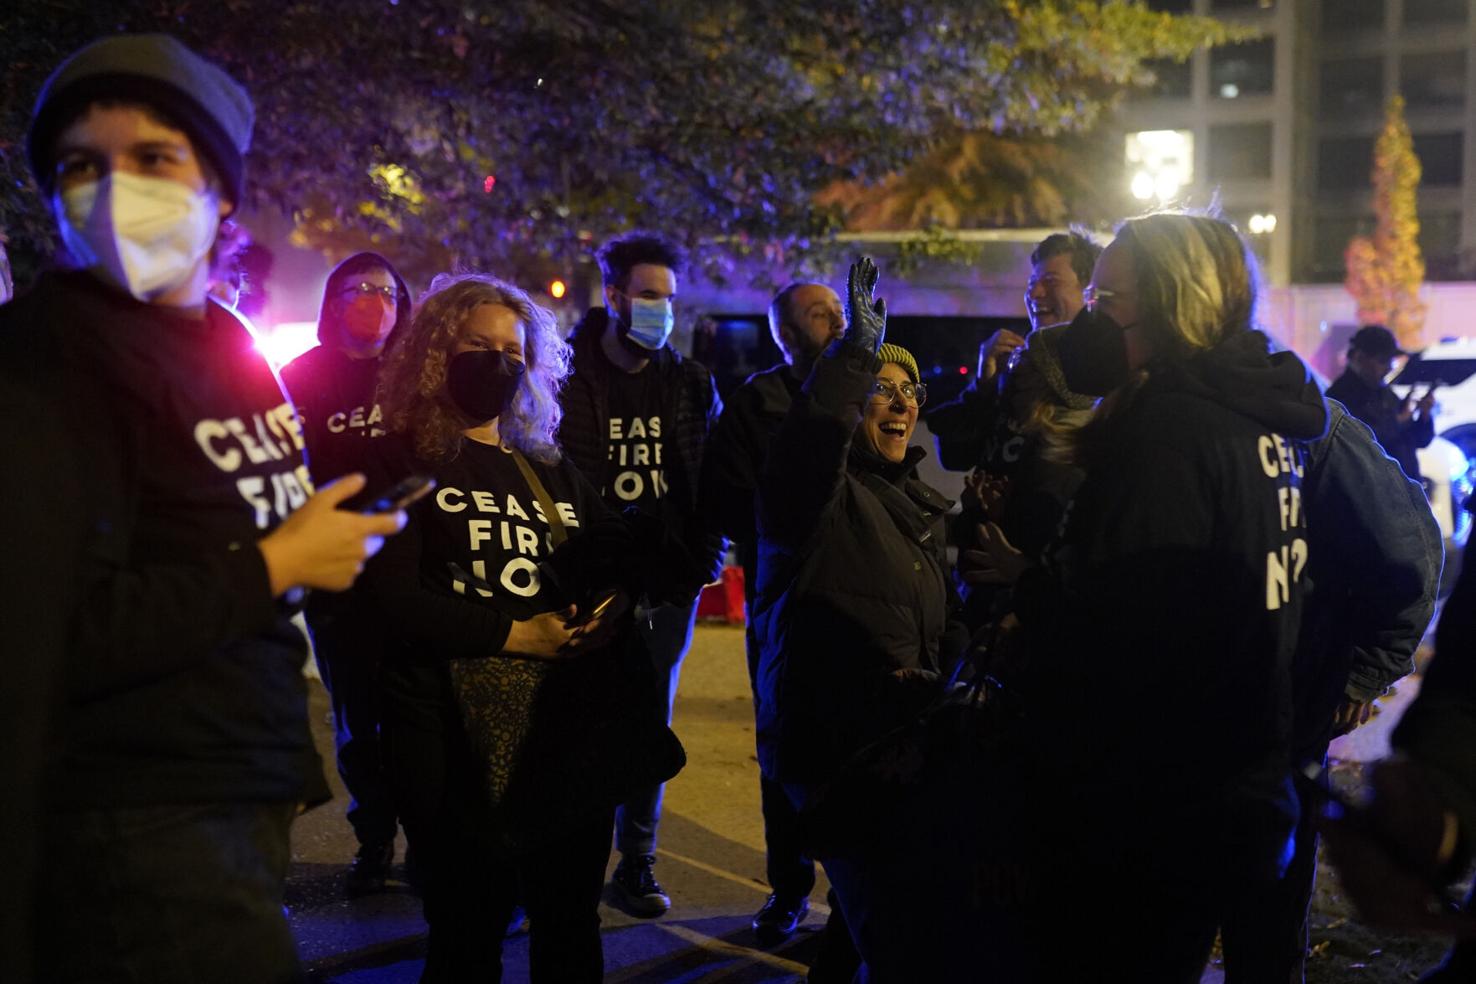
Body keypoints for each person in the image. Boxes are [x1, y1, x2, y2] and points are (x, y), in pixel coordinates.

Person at [4, 34, 404, 983]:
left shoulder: (222, 339)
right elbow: (49, 634)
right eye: (80, 165)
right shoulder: (48, 358)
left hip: (241, 787)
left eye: (151, 157)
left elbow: (220, 522)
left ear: (219, 187)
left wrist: (317, 542)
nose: (114, 188)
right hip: (137, 809)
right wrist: (276, 565)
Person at [1008, 212, 1329, 981]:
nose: (1088, 318)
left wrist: (1037, 599)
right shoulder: (1255, 420)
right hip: (1232, 788)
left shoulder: (1171, 433)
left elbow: (1125, 642)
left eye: (1105, 298)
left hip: (1150, 815)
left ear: (1162, 304)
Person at [362, 272, 658, 982]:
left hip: (559, 740)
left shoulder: (548, 471)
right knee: (467, 931)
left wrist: (610, 606)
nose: (498, 362)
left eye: (514, 350)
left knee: (568, 926)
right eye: (477, 344)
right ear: (436, 352)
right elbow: (390, 601)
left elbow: (617, 557)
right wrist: (516, 635)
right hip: (447, 742)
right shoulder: (400, 459)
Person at [754, 257, 974, 980]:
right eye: (881, 390)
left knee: (857, 936)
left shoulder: (914, 508)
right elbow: (809, 446)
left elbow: (937, 628)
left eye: (909, 391)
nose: (900, 403)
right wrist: (852, 359)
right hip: (838, 755)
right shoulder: (814, 496)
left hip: (900, 755)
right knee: (901, 943)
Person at [1217, 396, 1443, 981]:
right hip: (1174, 704)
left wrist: (1367, 669)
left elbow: (1408, 547)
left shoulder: (1307, 418)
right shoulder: (1142, 408)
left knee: (1266, 895)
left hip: (1283, 704)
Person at [558, 231, 723, 915]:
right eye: (649, 296)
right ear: (617, 296)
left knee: (649, 721)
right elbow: (564, 481)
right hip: (591, 577)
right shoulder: (570, 375)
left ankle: (638, 863)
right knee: (576, 724)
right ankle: (564, 870)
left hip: (666, 584)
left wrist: (696, 560)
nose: (661, 309)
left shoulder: (687, 382)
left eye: (669, 299)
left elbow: (705, 484)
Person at [701, 280, 854, 959]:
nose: (838, 320)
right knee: (783, 751)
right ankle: (789, 889)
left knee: (859, 750)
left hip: (855, 597)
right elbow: (728, 496)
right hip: (784, 600)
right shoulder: (757, 404)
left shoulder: (871, 386)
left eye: (838, 310)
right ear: (787, 335)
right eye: (821, 313)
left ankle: (851, 899)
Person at [280, 251, 414, 893]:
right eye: (359, 289)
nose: (374, 301)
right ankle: (373, 839)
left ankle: (428, 837)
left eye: (387, 291)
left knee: (418, 711)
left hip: (414, 573)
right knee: (358, 717)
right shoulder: (298, 377)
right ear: (332, 300)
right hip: (339, 578)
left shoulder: (417, 379)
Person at [927, 230, 1100, 471]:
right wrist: (983, 388)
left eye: (1051, 281)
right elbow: (955, 456)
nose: (1034, 293)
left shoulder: (1102, 374)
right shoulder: (1015, 367)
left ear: (1090, 293)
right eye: (1032, 284)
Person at [1326, 324, 1435, 483]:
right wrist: (1399, 421)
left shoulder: (1385, 394)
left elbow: (1420, 440)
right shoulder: (1339, 397)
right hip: (1372, 493)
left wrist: (1424, 416)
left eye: (1390, 360)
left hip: (1402, 492)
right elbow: (1359, 445)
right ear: (1359, 357)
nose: (1388, 367)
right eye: (1382, 360)